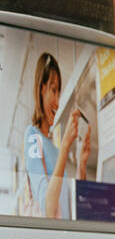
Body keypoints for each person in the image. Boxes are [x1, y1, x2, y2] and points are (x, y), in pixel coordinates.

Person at [23, 52, 90, 221]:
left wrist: (82, 164)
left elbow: (74, 207)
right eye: (54, 90)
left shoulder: (54, 147)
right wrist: (66, 144)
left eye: (59, 92)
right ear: (41, 89)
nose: (58, 101)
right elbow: (48, 209)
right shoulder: (32, 136)